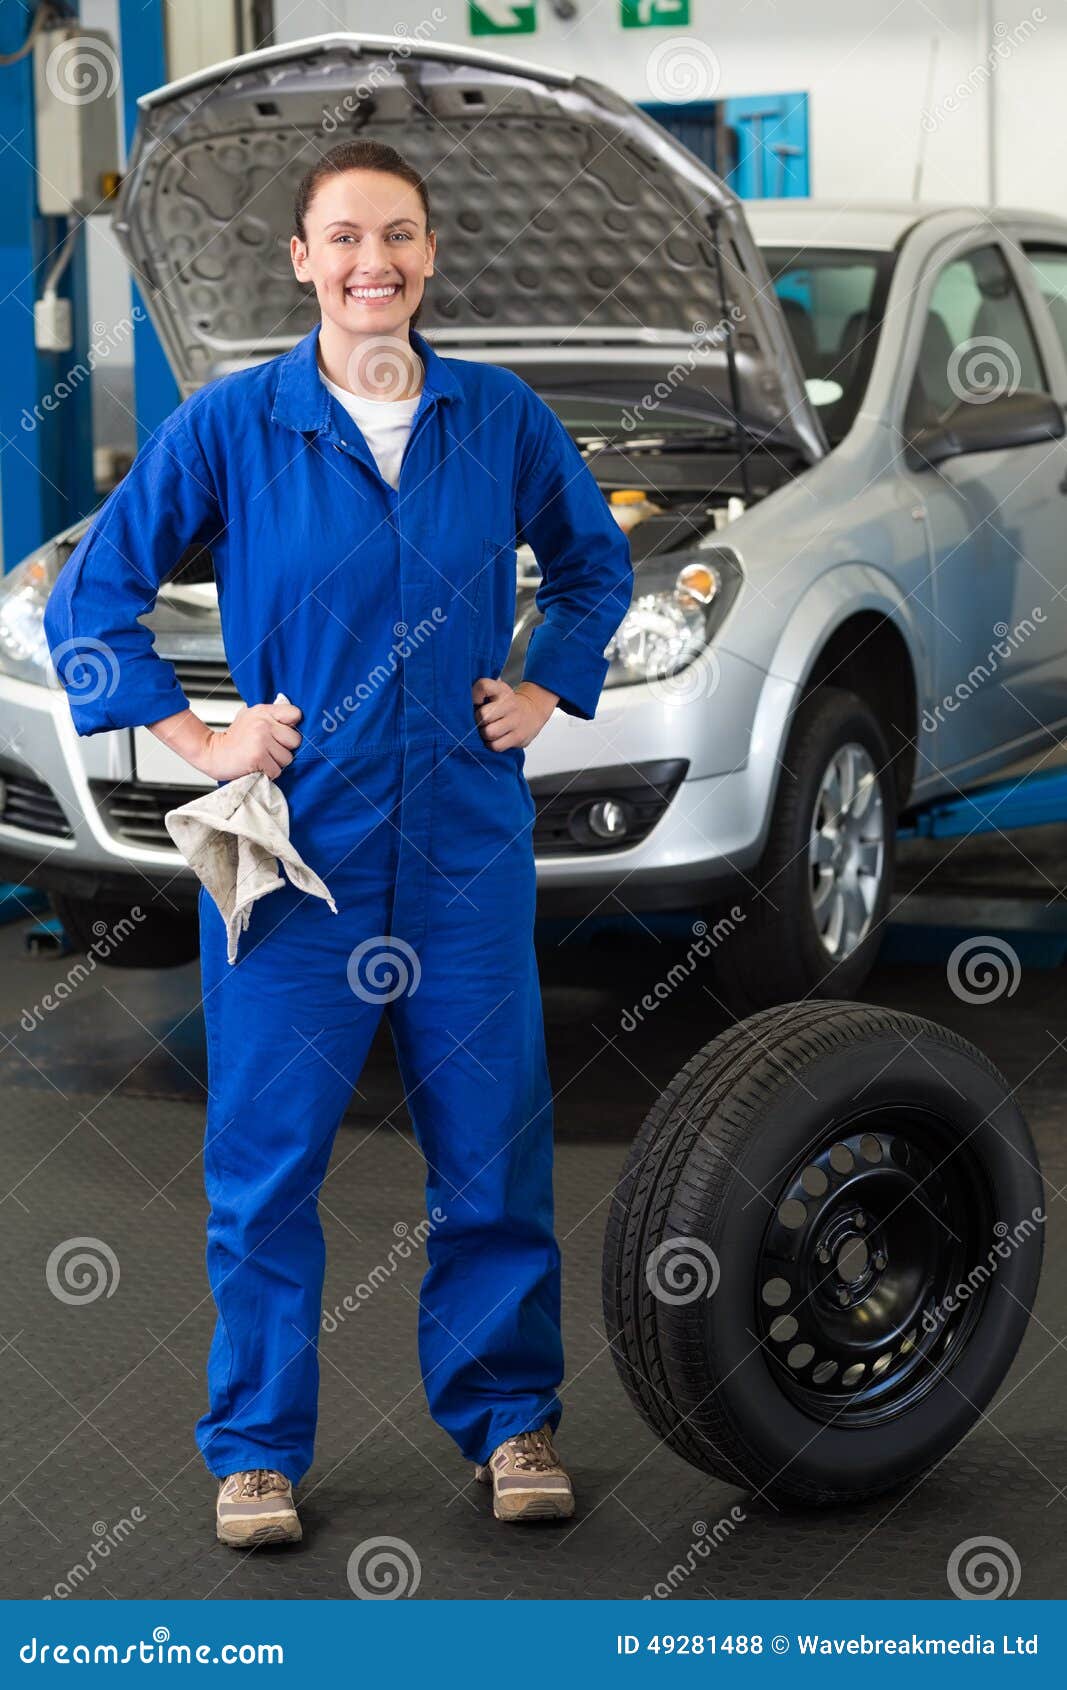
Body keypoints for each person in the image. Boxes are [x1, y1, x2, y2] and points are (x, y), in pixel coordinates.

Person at [43, 138, 634, 1547]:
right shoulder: (230, 428)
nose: (376, 261)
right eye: (347, 237)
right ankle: (255, 1447)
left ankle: (512, 1420)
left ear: (431, 258)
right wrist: (203, 738)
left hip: (461, 851)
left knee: (491, 1149)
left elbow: (598, 562)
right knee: (265, 1165)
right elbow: (91, 605)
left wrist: (548, 678)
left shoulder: (497, 419)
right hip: (294, 860)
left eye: (402, 236)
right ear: (302, 259)